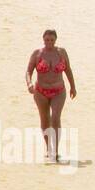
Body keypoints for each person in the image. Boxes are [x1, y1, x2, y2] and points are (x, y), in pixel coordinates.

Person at [25, 29, 77, 163]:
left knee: (55, 118)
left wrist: (73, 86)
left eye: (52, 40)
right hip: (41, 91)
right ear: (43, 39)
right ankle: (48, 148)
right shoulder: (37, 54)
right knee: (44, 119)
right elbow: (28, 71)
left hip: (58, 90)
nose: (49, 42)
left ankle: (56, 150)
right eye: (47, 40)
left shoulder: (61, 52)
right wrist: (29, 84)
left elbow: (68, 69)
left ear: (55, 40)